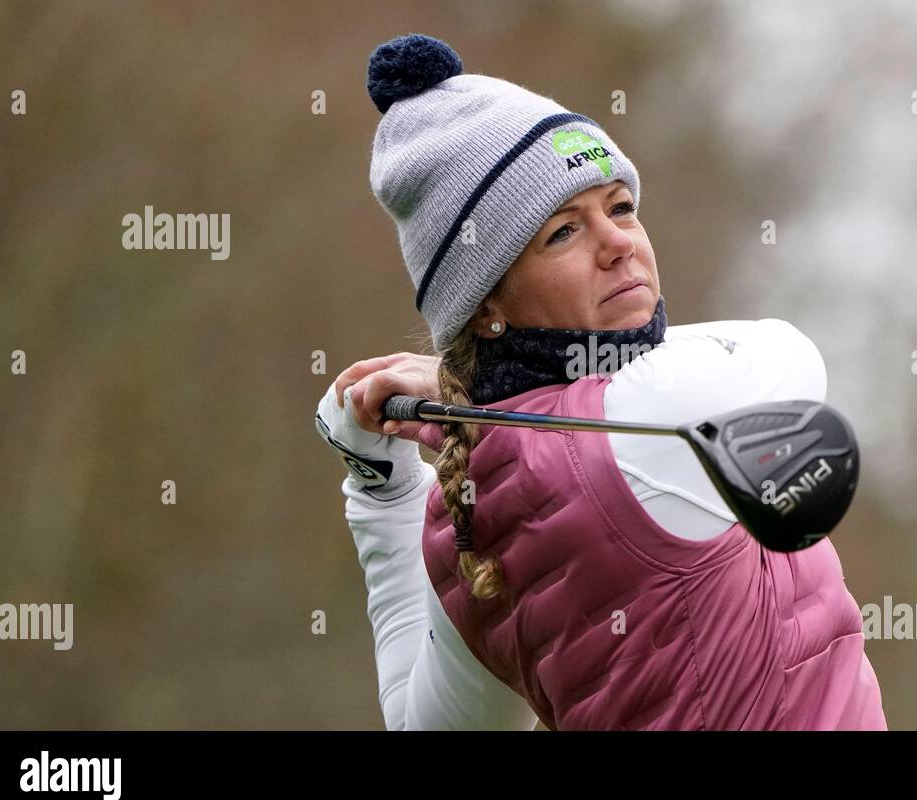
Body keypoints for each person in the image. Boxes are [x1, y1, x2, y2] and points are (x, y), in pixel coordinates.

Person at [314, 34, 886, 730]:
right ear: (485, 304)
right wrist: (464, 396)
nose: (619, 242)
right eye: (562, 232)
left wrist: (382, 490)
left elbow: (420, 723)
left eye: (619, 207)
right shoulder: (646, 418)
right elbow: (795, 354)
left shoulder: (462, 520)